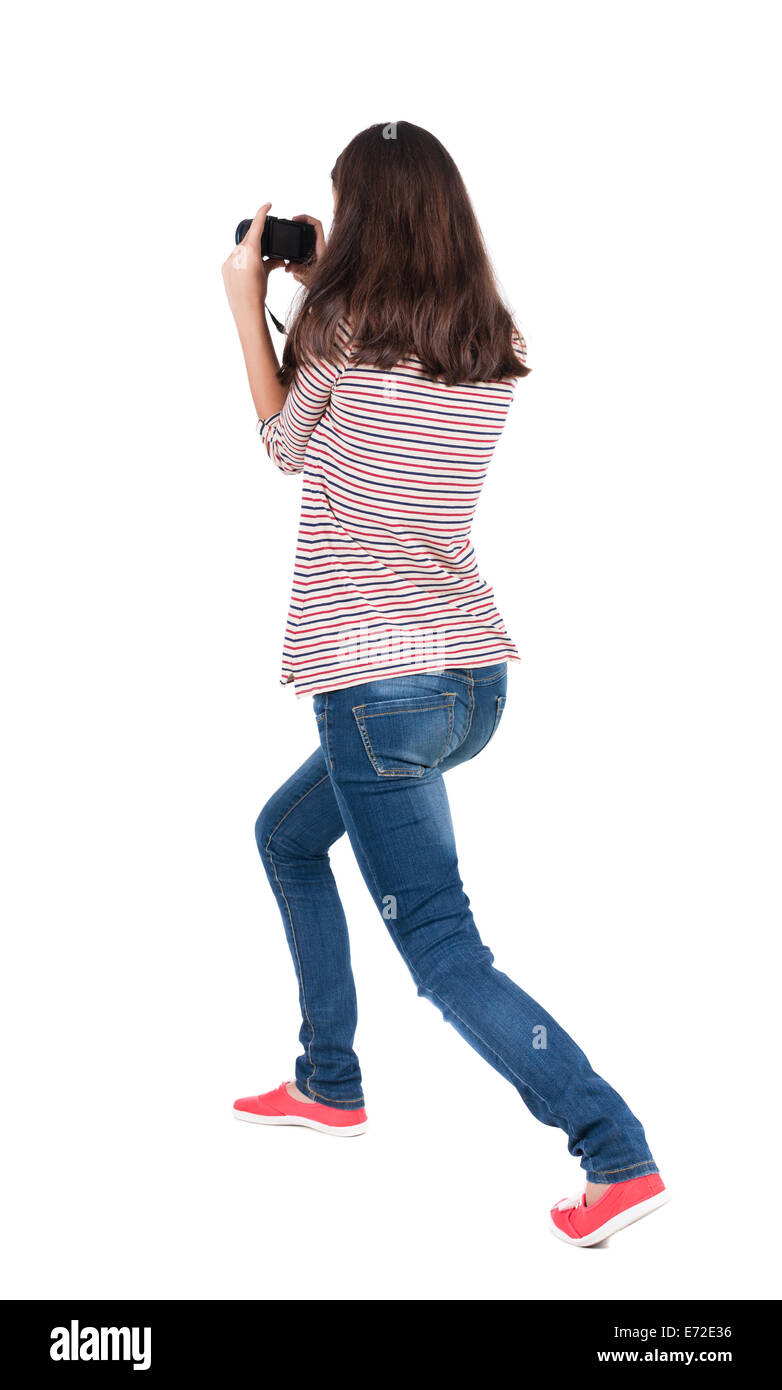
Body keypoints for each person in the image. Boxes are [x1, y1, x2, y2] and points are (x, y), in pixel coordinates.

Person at [221, 122, 667, 1247]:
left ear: (360, 213)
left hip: (371, 686)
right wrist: (327, 282)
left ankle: (612, 1153)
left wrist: (245, 298)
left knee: (443, 947)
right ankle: (328, 1078)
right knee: (285, 834)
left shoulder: (337, 324)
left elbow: (285, 446)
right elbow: (392, 391)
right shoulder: (488, 333)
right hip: (467, 680)